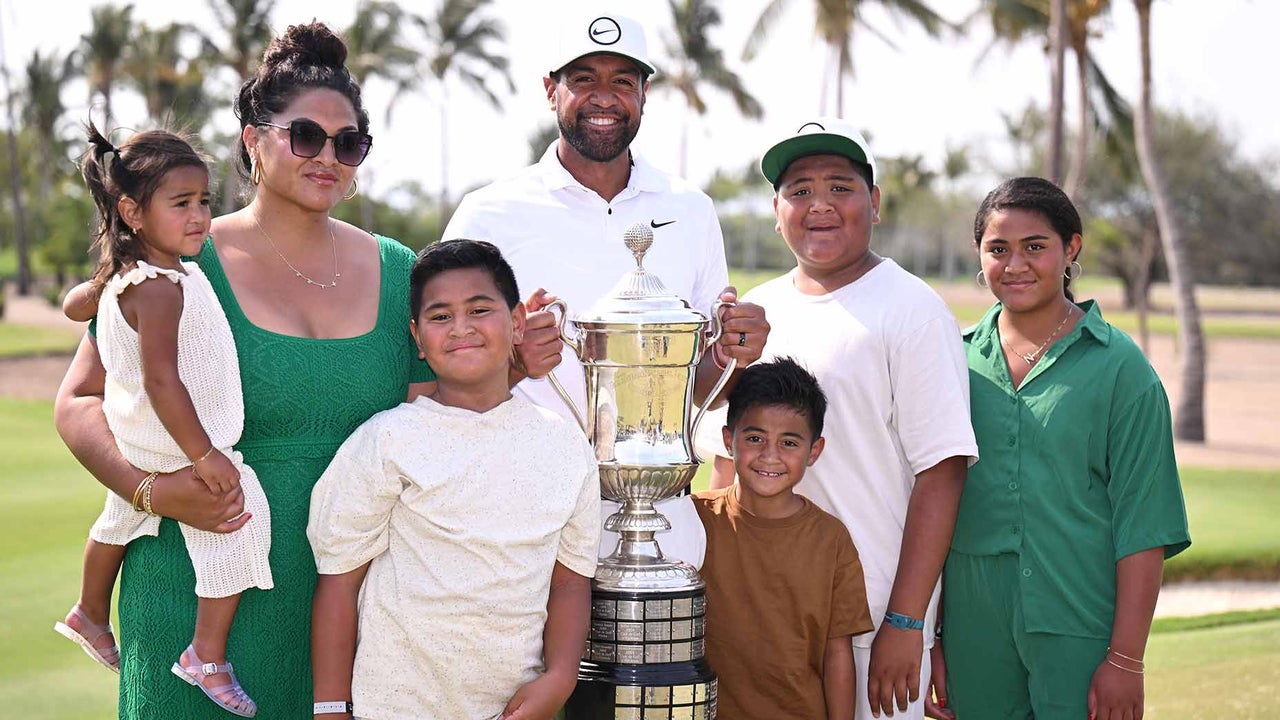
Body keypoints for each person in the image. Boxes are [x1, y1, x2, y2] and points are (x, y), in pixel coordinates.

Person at [53, 23, 436, 718]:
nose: (329, 157)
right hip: (192, 598)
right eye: (306, 137)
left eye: (348, 143)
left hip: (355, 617)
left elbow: (435, 423)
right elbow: (79, 399)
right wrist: (148, 491)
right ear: (254, 140)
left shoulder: (402, 271)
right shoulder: (175, 257)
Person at [442, 9, 768, 564]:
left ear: (645, 94)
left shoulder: (689, 209)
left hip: (661, 523)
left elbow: (698, 385)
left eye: (622, 81)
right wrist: (514, 360)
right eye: (584, 78)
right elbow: (439, 363)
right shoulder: (488, 213)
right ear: (551, 91)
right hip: (520, 518)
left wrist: (734, 352)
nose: (604, 97)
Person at [701, 118, 978, 720]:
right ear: (776, 211)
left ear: (874, 203)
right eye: (799, 190)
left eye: (840, 187)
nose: (819, 205)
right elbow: (726, 470)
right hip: (767, 622)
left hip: (874, 621)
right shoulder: (757, 312)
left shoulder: (912, 310)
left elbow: (943, 471)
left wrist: (907, 622)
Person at [307, 239, 599, 720]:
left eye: (480, 309)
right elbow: (338, 583)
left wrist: (561, 676)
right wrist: (331, 708)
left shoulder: (566, 446)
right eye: (440, 317)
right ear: (418, 339)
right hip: (398, 707)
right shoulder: (387, 441)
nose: (461, 328)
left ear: (518, 322)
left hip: (514, 707)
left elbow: (569, 582)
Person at [932, 177, 1190, 720]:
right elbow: (930, 503)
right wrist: (932, 636)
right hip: (973, 633)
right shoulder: (953, 362)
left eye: (1035, 246)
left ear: (1071, 248)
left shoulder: (1122, 369)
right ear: (980, 256)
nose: (1015, 264)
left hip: (1081, 627)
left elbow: (1145, 524)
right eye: (998, 249)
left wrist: (1126, 659)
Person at [54, 121, 271, 717]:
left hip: (140, 442)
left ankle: (90, 612)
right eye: (182, 204)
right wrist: (205, 455)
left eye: (204, 201)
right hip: (174, 448)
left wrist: (96, 285)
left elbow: (75, 306)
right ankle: (206, 653)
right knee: (241, 524)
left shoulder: (139, 273)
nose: (200, 215)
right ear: (132, 210)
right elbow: (162, 379)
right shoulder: (160, 288)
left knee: (117, 519)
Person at [694, 357, 874, 720]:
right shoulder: (697, 520)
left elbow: (837, 653)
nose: (770, 455)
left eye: (789, 442)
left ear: (814, 451)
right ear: (729, 440)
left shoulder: (831, 540)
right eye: (755, 438)